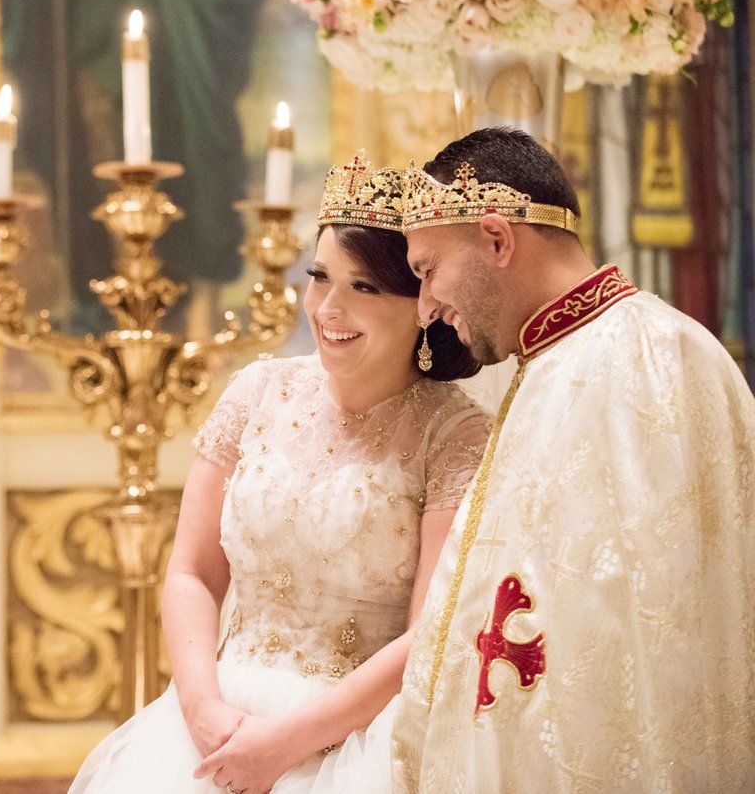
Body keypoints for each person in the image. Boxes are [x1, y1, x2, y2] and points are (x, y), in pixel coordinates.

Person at [69, 154, 489, 794]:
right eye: (320, 277)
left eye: (364, 287)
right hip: (215, 720)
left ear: (424, 305)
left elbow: (427, 635)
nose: (328, 309)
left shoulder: (454, 436)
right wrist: (203, 712)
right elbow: (191, 572)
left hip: (359, 743)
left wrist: (283, 746)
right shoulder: (255, 392)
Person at [389, 127, 755, 791]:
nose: (427, 309)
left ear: (497, 239)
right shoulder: (551, 362)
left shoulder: (656, 358)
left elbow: (664, 643)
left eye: (427, 271)